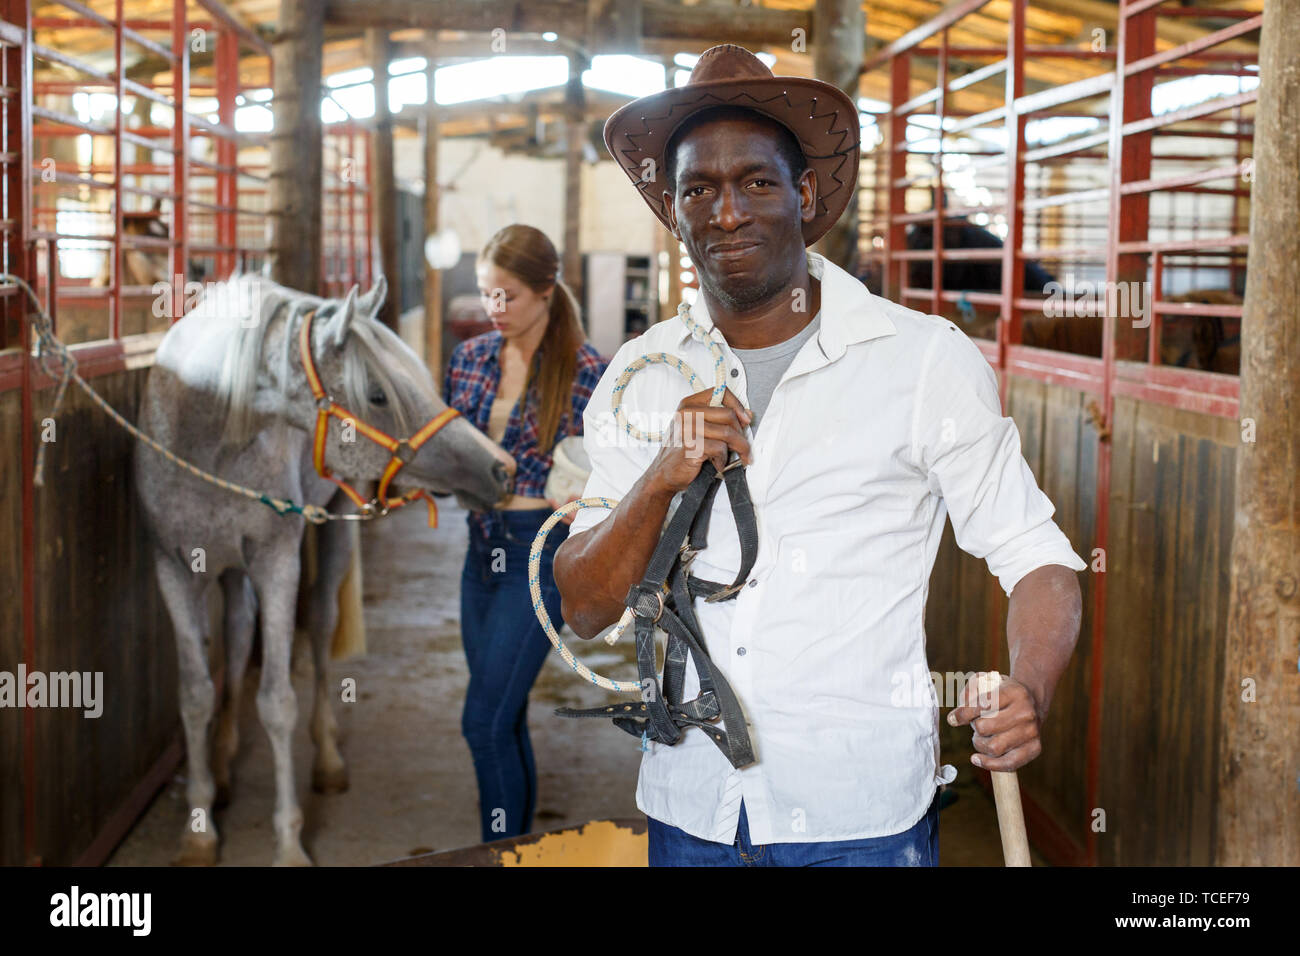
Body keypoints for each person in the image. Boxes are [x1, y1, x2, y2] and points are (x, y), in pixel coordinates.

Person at [554, 45, 1086, 867]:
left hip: (859, 815)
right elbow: (585, 608)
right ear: (675, 211)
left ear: (803, 193)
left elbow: (1036, 557)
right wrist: (661, 477)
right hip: (692, 810)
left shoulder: (922, 361)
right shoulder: (641, 374)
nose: (727, 212)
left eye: (756, 182)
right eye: (698, 188)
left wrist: (1031, 688)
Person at [443, 224, 607, 843]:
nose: (494, 309)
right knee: (503, 719)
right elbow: (445, 454)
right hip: (478, 545)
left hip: (537, 550)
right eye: (487, 294)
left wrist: (574, 499)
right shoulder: (469, 359)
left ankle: (497, 855)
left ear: (545, 289)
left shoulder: (589, 371)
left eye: (507, 295)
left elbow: (608, 481)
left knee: (482, 722)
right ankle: (514, 852)